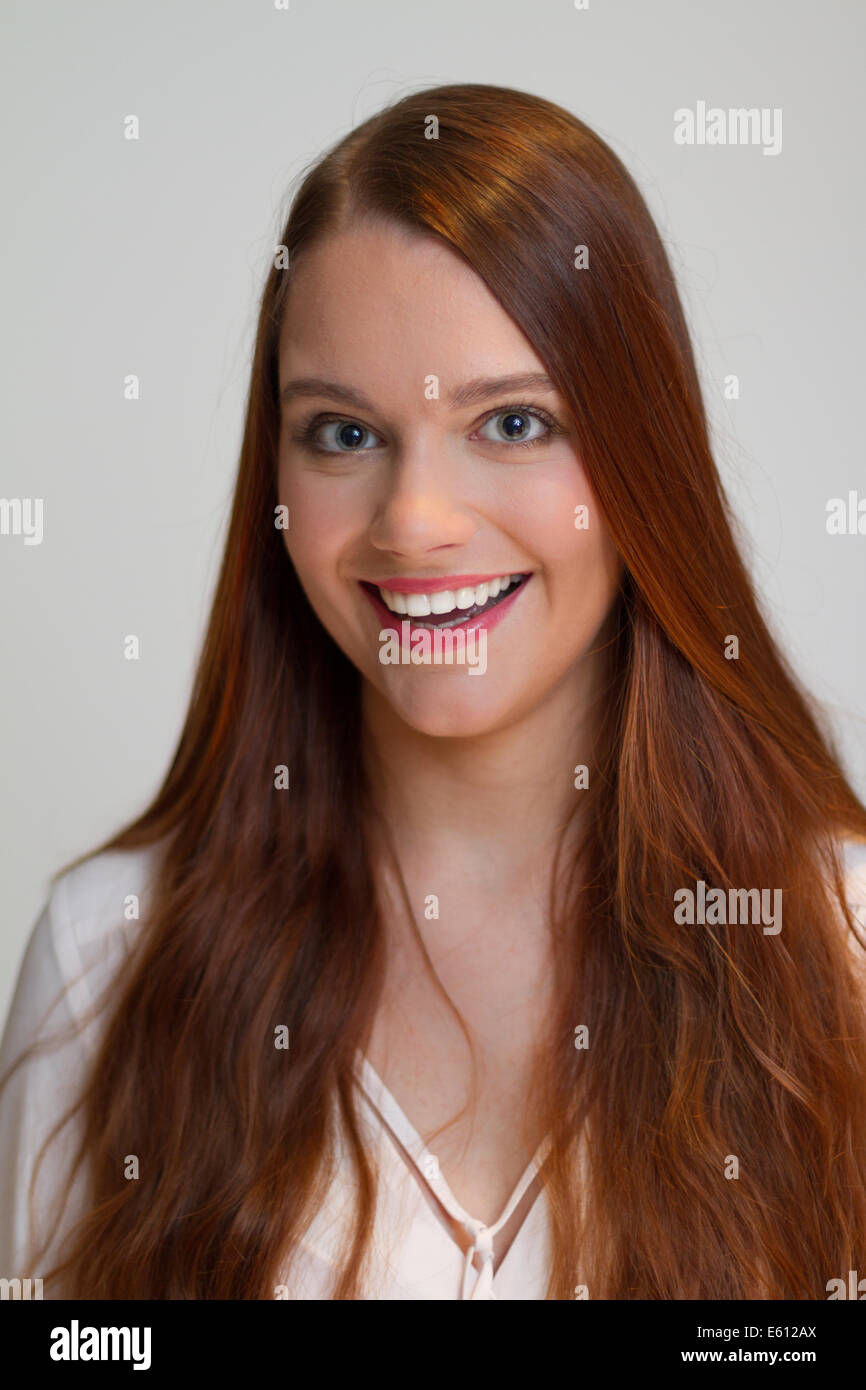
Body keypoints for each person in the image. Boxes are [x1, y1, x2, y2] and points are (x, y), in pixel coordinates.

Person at [2, 82, 866, 1301]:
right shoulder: (106, 956)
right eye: (343, 435)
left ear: (640, 459)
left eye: (511, 421)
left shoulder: (843, 943)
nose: (413, 522)